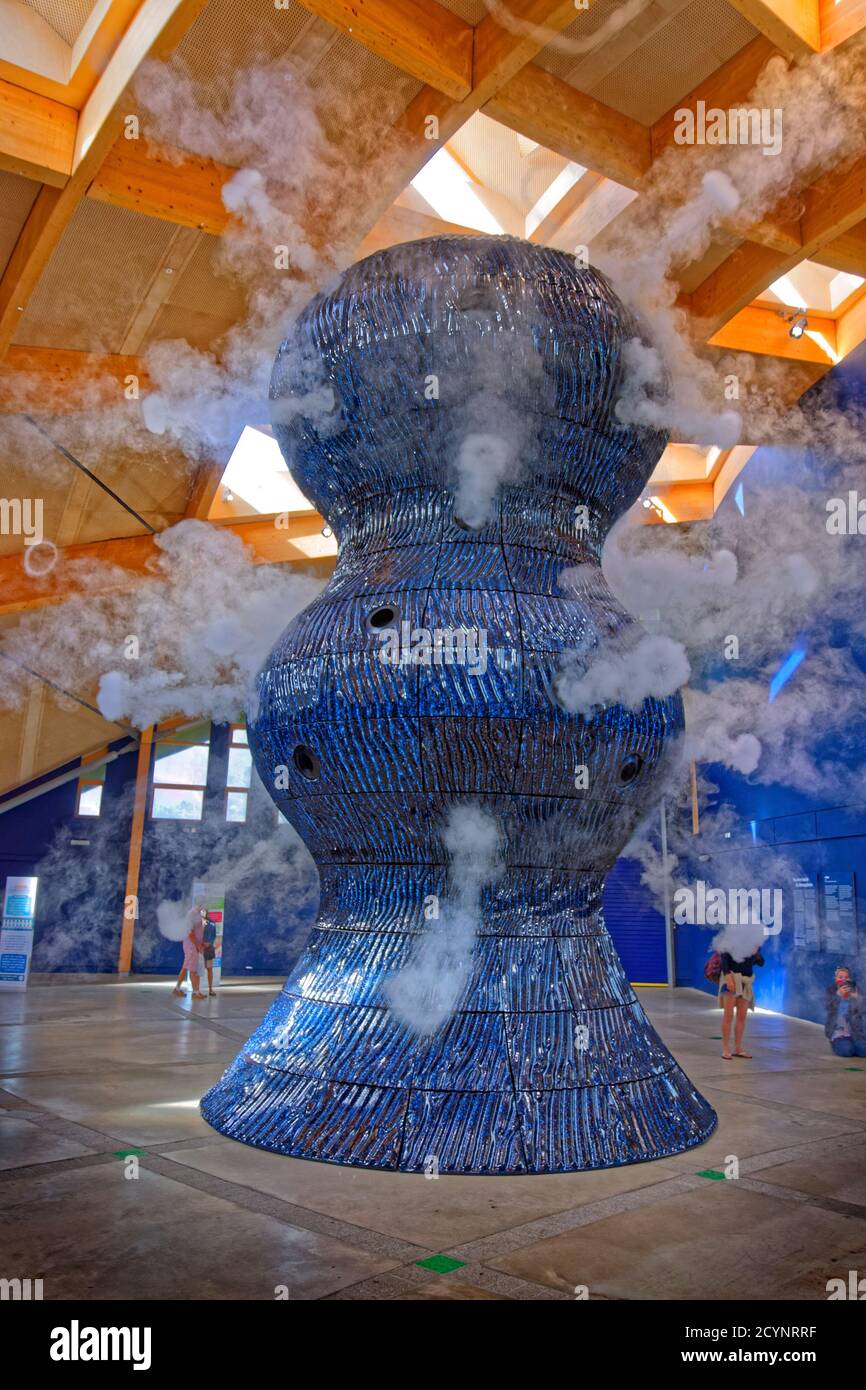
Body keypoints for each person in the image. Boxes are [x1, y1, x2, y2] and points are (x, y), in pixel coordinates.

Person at [720, 945, 764, 1060]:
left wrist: (755, 954)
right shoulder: (730, 939)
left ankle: (738, 1048)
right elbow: (724, 959)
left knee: (741, 1016)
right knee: (728, 1015)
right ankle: (725, 1049)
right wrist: (728, 977)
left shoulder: (754, 943)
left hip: (746, 981)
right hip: (732, 979)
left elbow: (760, 962)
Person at [824, 966, 866, 1058]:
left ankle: (855, 1044)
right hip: (839, 1033)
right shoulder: (831, 990)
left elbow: (863, 1010)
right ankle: (836, 1043)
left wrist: (857, 998)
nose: (843, 980)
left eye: (846, 977)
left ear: (849, 979)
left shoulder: (856, 990)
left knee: (863, 1051)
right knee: (847, 1051)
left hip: (855, 1033)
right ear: (836, 979)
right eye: (840, 977)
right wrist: (838, 995)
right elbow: (828, 1007)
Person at [173, 903, 207, 999]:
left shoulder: (201, 914)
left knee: (186, 967)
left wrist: (202, 942)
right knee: (193, 969)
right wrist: (198, 945)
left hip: (196, 946)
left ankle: (178, 988)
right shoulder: (191, 914)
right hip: (191, 946)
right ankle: (195, 993)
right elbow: (190, 933)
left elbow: (200, 930)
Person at [201, 910, 218, 997]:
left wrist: (209, 943)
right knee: (198, 970)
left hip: (209, 948)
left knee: (209, 969)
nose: (204, 912)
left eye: (205, 911)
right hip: (200, 948)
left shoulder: (212, 923)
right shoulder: (196, 923)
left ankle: (210, 990)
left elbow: (214, 935)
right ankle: (197, 991)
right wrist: (202, 943)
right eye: (202, 911)